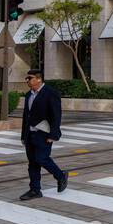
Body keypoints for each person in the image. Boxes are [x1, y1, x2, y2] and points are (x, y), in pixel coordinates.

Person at [19, 70, 67, 200]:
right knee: (32, 163)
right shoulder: (29, 94)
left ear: (39, 79)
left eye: (30, 78)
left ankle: (61, 176)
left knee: (42, 158)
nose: (27, 80)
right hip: (30, 134)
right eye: (27, 78)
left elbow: (56, 115)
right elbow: (26, 116)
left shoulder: (50, 93)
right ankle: (35, 190)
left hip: (44, 134)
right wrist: (23, 135)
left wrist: (53, 134)